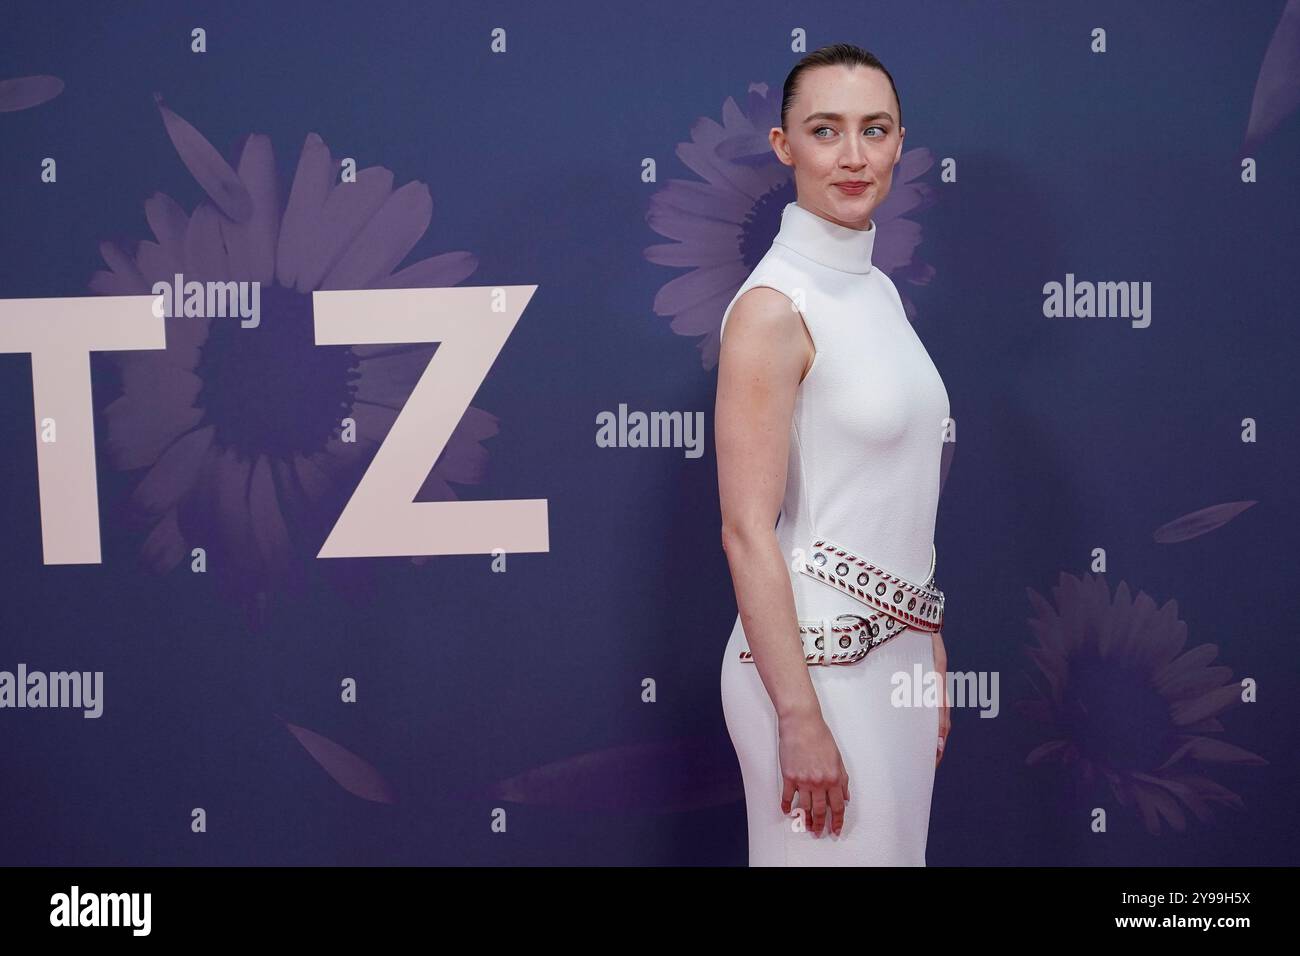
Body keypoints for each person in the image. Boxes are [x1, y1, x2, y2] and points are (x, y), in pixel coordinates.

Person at [716, 43, 952, 866]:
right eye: (826, 130)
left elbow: (893, 492)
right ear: (785, 146)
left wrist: (926, 643)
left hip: (898, 664)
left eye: (874, 130)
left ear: (899, 143)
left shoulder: (878, 291)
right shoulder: (773, 310)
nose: (853, 157)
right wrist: (798, 716)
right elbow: (747, 530)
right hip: (810, 672)